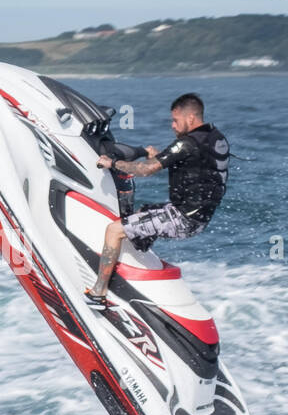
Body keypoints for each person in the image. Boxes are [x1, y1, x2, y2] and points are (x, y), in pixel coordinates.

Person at [84, 93, 229, 309]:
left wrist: (112, 163)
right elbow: (190, 163)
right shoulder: (215, 137)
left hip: (182, 218)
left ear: (190, 118)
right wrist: (156, 154)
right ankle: (128, 270)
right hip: (199, 217)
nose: (172, 125)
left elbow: (146, 170)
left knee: (114, 230)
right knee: (141, 215)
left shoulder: (187, 143)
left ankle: (98, 293)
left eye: (175, 120)